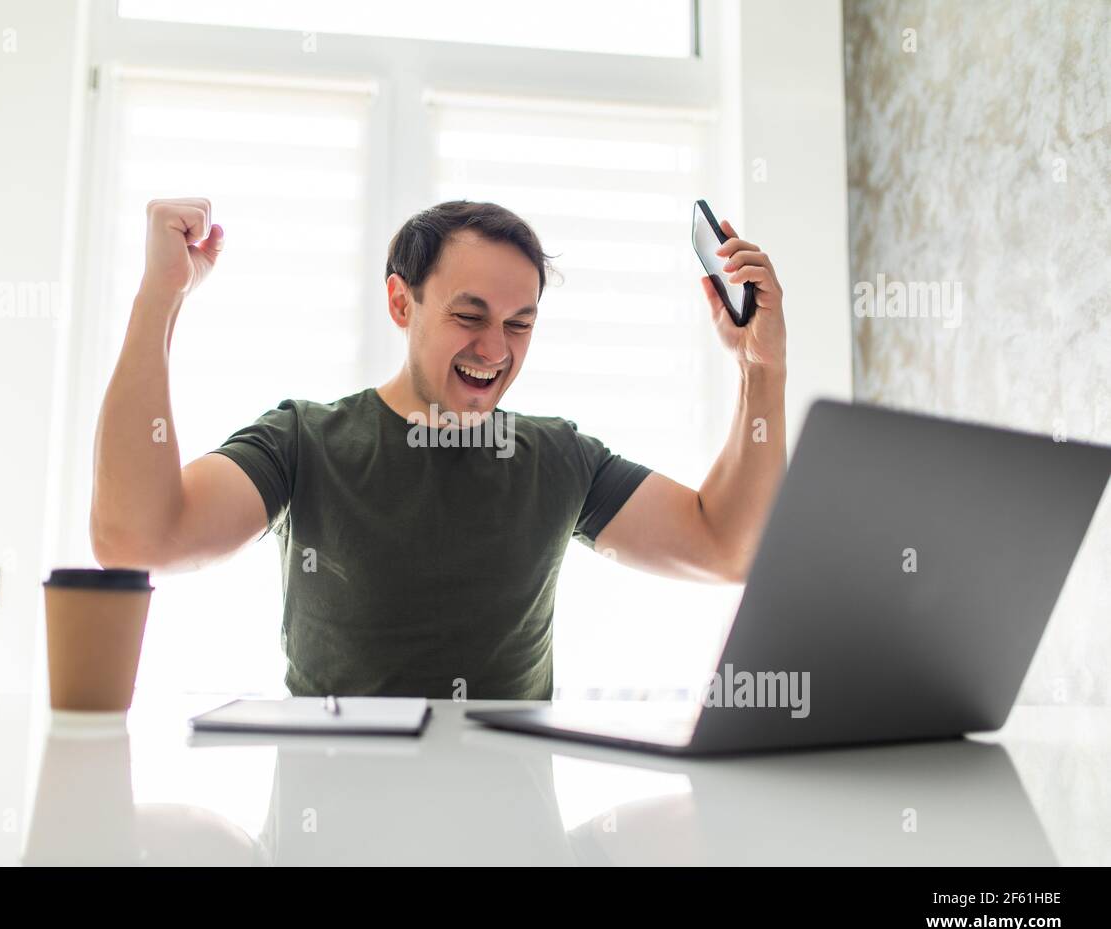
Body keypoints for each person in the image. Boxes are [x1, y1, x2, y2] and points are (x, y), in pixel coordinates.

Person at [90, 198, 787, 699]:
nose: (494, 350)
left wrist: (761, 367)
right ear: (401, 303)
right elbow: (136, 538)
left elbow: (729, 547)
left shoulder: (559, 457)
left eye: (520, 324)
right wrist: (161, 295)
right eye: (468, 316)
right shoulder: (302, 443)